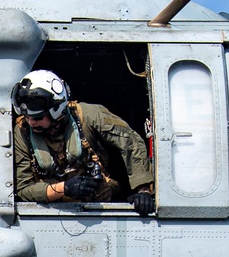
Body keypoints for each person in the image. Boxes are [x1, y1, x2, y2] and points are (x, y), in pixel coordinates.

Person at [12, 70, 156, 214]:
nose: (31, 122)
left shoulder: (88, 116)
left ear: (56, 109)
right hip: (54, 211)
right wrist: (64, 188)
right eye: (26, 116)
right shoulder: (22, 131)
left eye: (38, 117)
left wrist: (143, 190)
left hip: (101, 205)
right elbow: (24, 188)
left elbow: (130, 142)